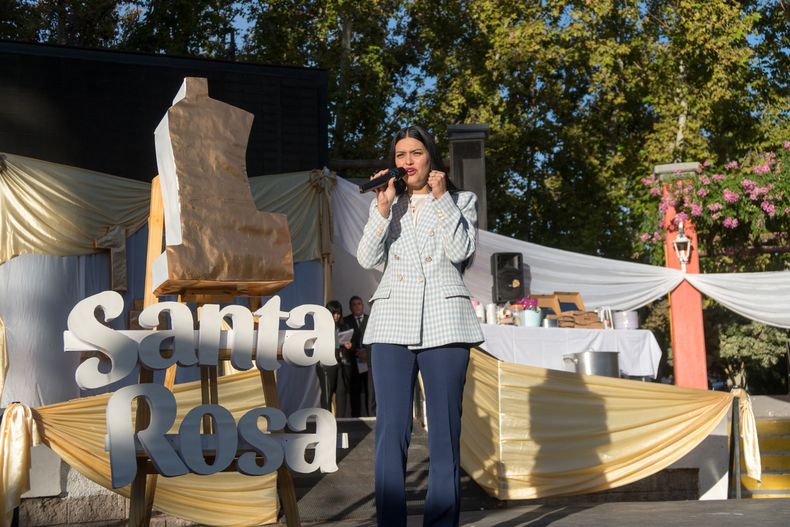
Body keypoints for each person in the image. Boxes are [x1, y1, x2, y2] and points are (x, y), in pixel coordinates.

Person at [356, 125, 483, 527]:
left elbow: (461, 251)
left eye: (415, 153)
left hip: (446, 323)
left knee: (444, 433)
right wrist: (381, 209)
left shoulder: (461, 199)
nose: (407, 161)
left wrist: (442, 199)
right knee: (391, 431)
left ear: (432, 158)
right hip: (392, 322)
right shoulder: (387, 204)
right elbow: (365, 258)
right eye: (400, 155)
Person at [317, 300, 354, 416]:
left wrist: (349, 345)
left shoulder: (344, 326)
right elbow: (319, 344)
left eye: (338, 313)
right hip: (326, 365)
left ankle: (341, 421)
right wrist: (339, 342)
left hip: (342, 364)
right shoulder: (321, 327)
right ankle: (326, 420)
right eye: (333, 313)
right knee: (327, 393)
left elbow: (349, 344)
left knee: (342, 393)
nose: (336, 316)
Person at [344, 295, 373, 416]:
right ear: (350, 307)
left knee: (370, 390)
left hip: (368, 359)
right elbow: (343, 340)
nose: (357, 306)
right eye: (354, 304)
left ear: (363, 305)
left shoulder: (370, 319)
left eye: (359, 303)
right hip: (353, 360)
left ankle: (372, 415)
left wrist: (367, 353)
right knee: (355, 389)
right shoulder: (346, 321)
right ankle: (355, 417)